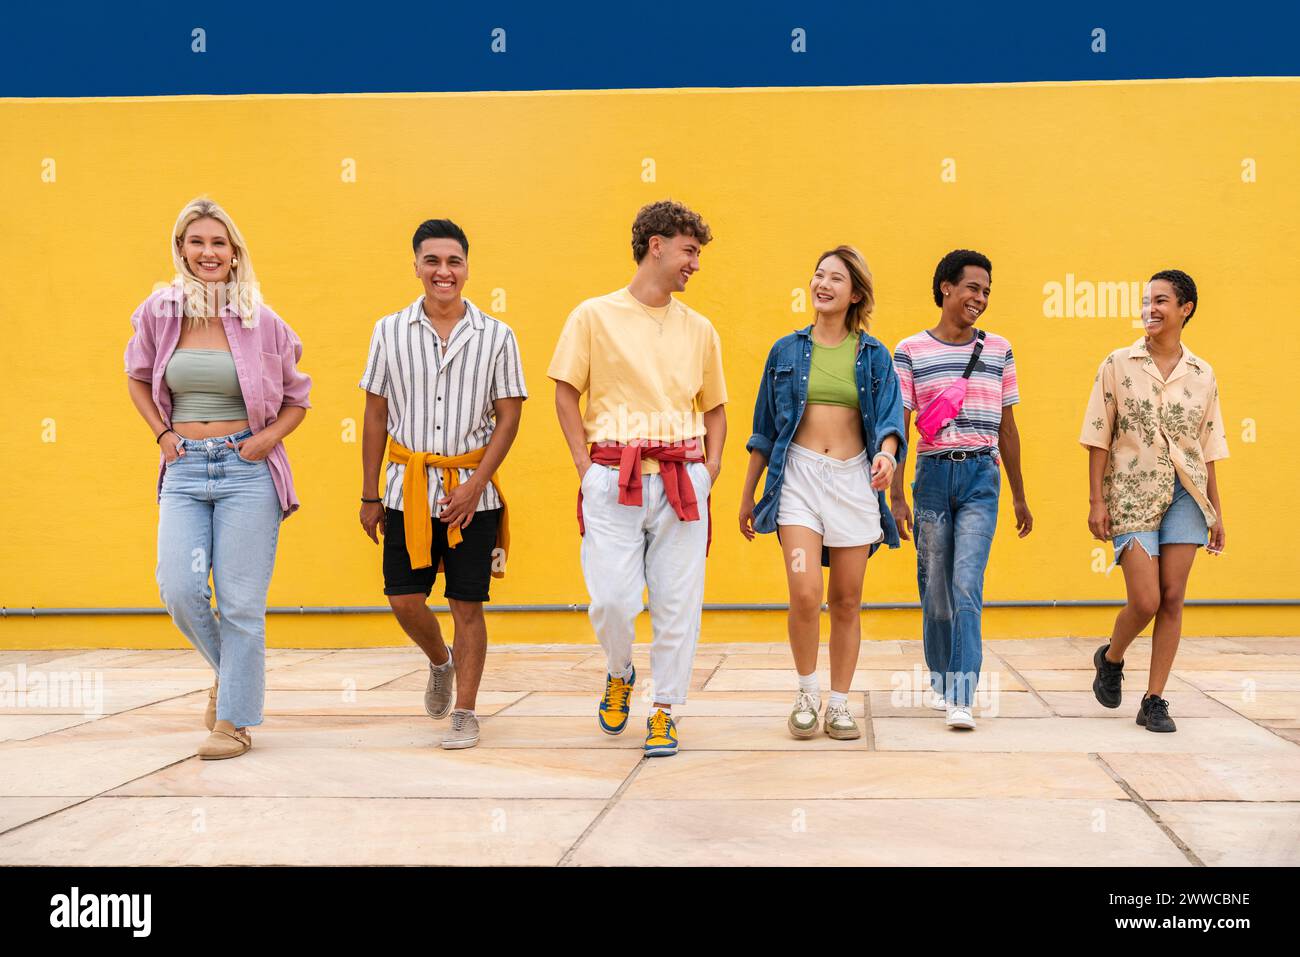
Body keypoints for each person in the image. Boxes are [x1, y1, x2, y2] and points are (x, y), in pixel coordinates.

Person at [125, 196, 312, 759]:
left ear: (235, 254)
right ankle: (233, 677)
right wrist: (162, 434)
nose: (208, 253)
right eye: (196, 242)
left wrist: (266, 439)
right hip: (183, 466)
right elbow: (135, 377)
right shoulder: (160, 312)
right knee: (179, 589)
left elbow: (298, 401)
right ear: (180, 250)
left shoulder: (262, 320)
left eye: (219, 243)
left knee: (239, 603)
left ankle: (234, 720)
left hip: (245, 469)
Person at [548, 200, 727, 757]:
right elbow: (564, 392)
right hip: (611, 476)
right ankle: (620, 670)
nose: (694, 264)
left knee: (678, 604)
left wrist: (709, 471)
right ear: (657, 245)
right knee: (612, 601)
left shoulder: (700, 329)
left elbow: (715, 407)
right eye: (689, 251)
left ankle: (665, 709)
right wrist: (584, 467)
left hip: (680, 480)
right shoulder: (593, 316)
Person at [358, 219, 526, 751]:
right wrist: (368, 493)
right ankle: (439, 661)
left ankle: (467, 710)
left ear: (467, 267)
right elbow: (375, 414)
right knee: (403, 598)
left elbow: (509, 415)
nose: (443, 271)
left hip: (472, 494)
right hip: (405, 487)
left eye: (453, 261)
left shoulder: (497, 336)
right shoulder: (388, 331)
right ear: (416, 266)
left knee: (467, 603)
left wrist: (477, 485)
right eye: (432, 261)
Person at [740, 246, 906, 740]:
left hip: (854, 481)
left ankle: (838, 703)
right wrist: (749, 495)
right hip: (798, 481)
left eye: (836, 278)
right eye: (818, 275)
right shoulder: (785, 351)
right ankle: (807, 692)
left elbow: (892, 420)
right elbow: (764, 430)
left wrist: (888, 456)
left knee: (847, 600)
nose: (823, 284)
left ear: (855, 293)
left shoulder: (874, 354)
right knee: (805, 592)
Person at [890, 249, 1033, 730]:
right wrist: (895, 495)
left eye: (987, 291)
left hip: (980, 478)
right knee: (935, 589)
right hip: (931, 477)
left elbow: (1008, 428)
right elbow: (900, 426)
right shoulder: (909, 350)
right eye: (973, 287)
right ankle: (939, 678)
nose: (981, 298)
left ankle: (962, 694)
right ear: (946, 287)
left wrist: (1018, 493)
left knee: (966, 584)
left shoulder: (998, 350)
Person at [1081, 269, 1228, 733]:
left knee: (1173, 597)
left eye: (1162, 300)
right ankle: (1111, 656)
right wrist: (1095, 501)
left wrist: (1217, 512)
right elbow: (1098, 437)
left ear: (1186, 309)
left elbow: (1208, 449)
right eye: (1147, 301)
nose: (1151, 309)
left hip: (1187, 494)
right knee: (1144, 600)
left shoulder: (1203, 375)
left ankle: (1155, 699)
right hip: (1130, 493)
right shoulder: (1118, 363)